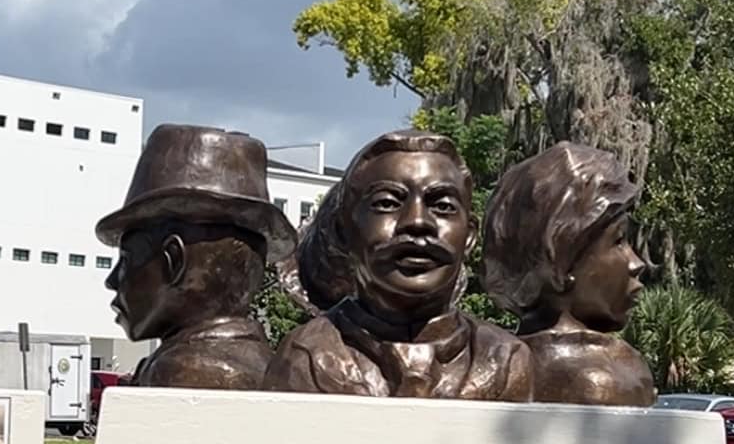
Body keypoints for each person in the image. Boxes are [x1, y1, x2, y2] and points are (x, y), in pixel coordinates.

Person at [264, 130, 532, 401]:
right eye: (387, 203)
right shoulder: (306, 358)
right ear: (344, 231)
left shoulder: (503, 360)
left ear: (470, 236)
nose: (417, 222)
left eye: (442, 206)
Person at [97, 125, 299, 390]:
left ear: (174, 260)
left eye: (127, 259)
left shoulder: (181, 370)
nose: (112, 281)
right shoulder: (262, 362)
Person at [483, 142, 654, 407]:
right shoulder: (599, 377)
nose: (636, 263)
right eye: (618, 241)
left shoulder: (496, 360)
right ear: (562, 264)